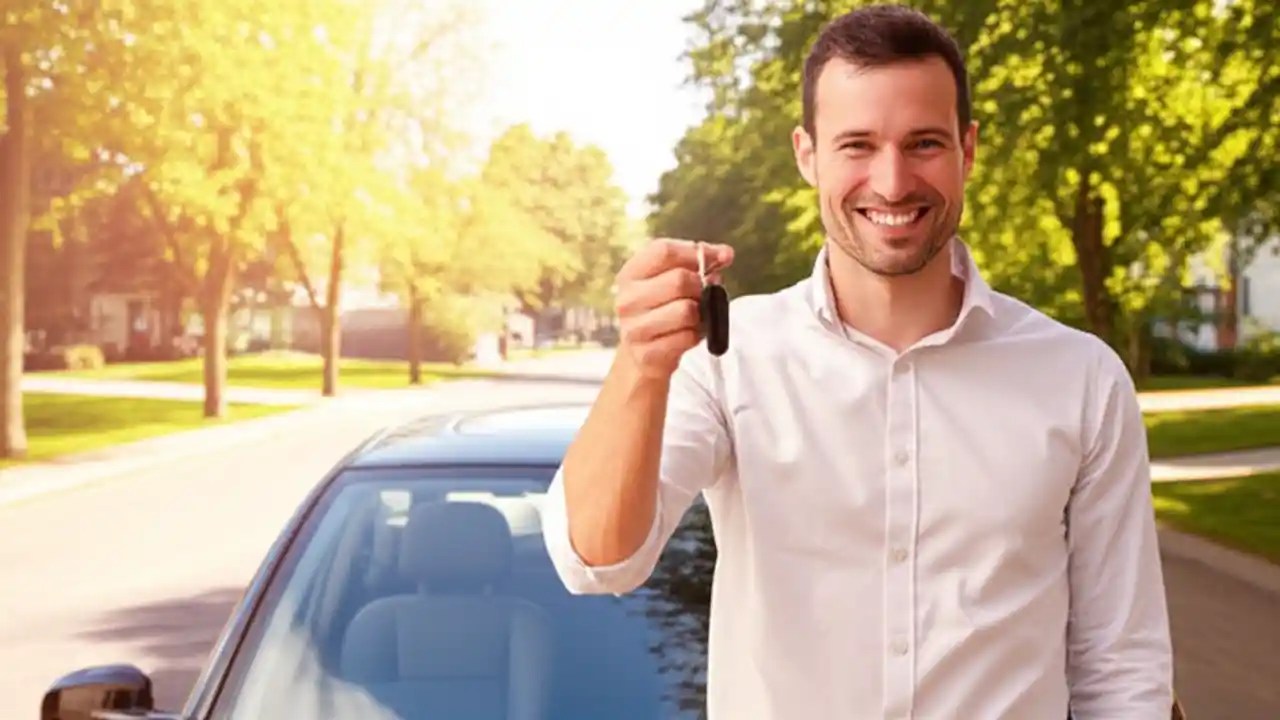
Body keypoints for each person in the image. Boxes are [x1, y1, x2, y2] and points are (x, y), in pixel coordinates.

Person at [541, 4, 1173, 718]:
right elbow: (597, 562)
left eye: (925, 143)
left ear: (969, 148)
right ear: (807, 154)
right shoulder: (725, 361)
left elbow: (1121, 668)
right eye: (858, 145)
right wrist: (639, 368)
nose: (894, 181)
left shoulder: (1081, 380)